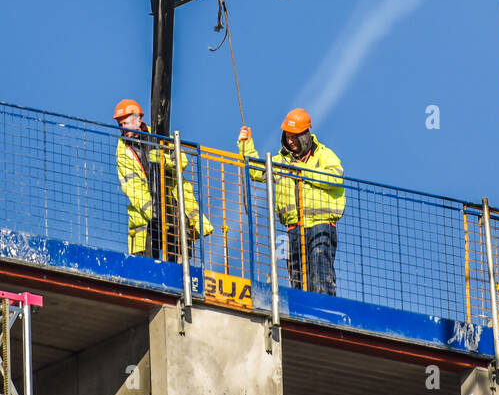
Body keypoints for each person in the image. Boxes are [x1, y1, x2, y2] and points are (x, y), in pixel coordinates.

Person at [237, 108, 345, 295]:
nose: (290, 141)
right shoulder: (281, 161)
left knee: (320, 272)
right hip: (293, 228)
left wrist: (301, 171)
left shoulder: (324, 155)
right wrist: (246, 146)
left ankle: (324, 312)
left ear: (305, 136)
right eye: (288, 136)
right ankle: (303, 309)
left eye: (294, 137)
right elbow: (256, 171)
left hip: (321, 225)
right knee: (297, 276)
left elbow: (335, 178)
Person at [114, 99, 213, 258]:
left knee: (180, 257)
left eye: (125, 123)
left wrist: (162, 160)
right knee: (146, 266)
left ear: (139, 120)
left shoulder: (159, 136)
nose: (122, 128)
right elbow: (132, 187)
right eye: (120, 125)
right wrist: (152, 211)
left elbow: (182, 160)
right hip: (146, 217)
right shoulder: (123, 151)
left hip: (172, 203)